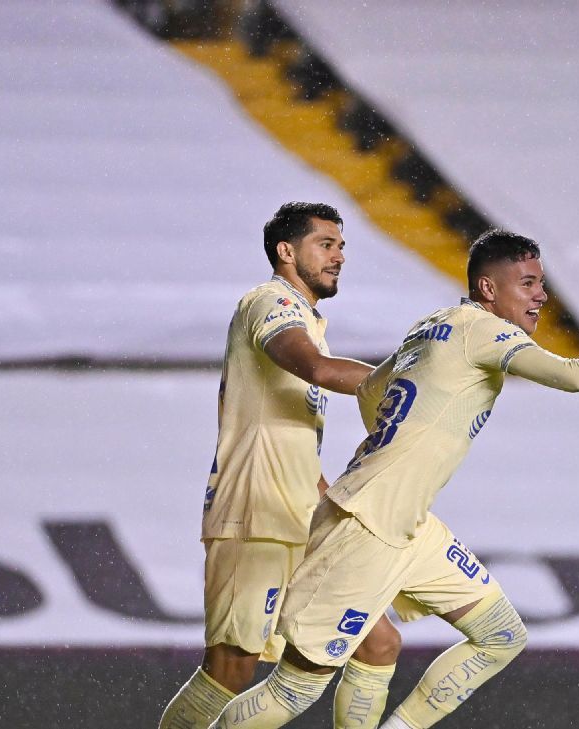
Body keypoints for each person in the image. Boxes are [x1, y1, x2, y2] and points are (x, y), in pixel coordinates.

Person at [207, 229, 579, 729]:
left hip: (405, 524)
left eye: (541, 283)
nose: (541, 296)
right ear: (489, 289)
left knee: (500, 635)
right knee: (295, 687)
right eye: (528, 283)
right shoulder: (483, 331)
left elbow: (375, 392)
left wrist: (404, 440)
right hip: (367, 526)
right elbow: (572, 375)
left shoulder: (434, 326)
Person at [160, 202, 402, 729]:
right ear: (286, 252)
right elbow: (313, 368)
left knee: (377, 640)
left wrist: (331, 505)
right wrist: (402, 383)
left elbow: (295, 441)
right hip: (255, 513)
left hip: (300, 512)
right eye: (326, 244)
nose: (339, 256)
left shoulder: (312, 320)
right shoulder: (269, 302)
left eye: (342, 246)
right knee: (231, 666)